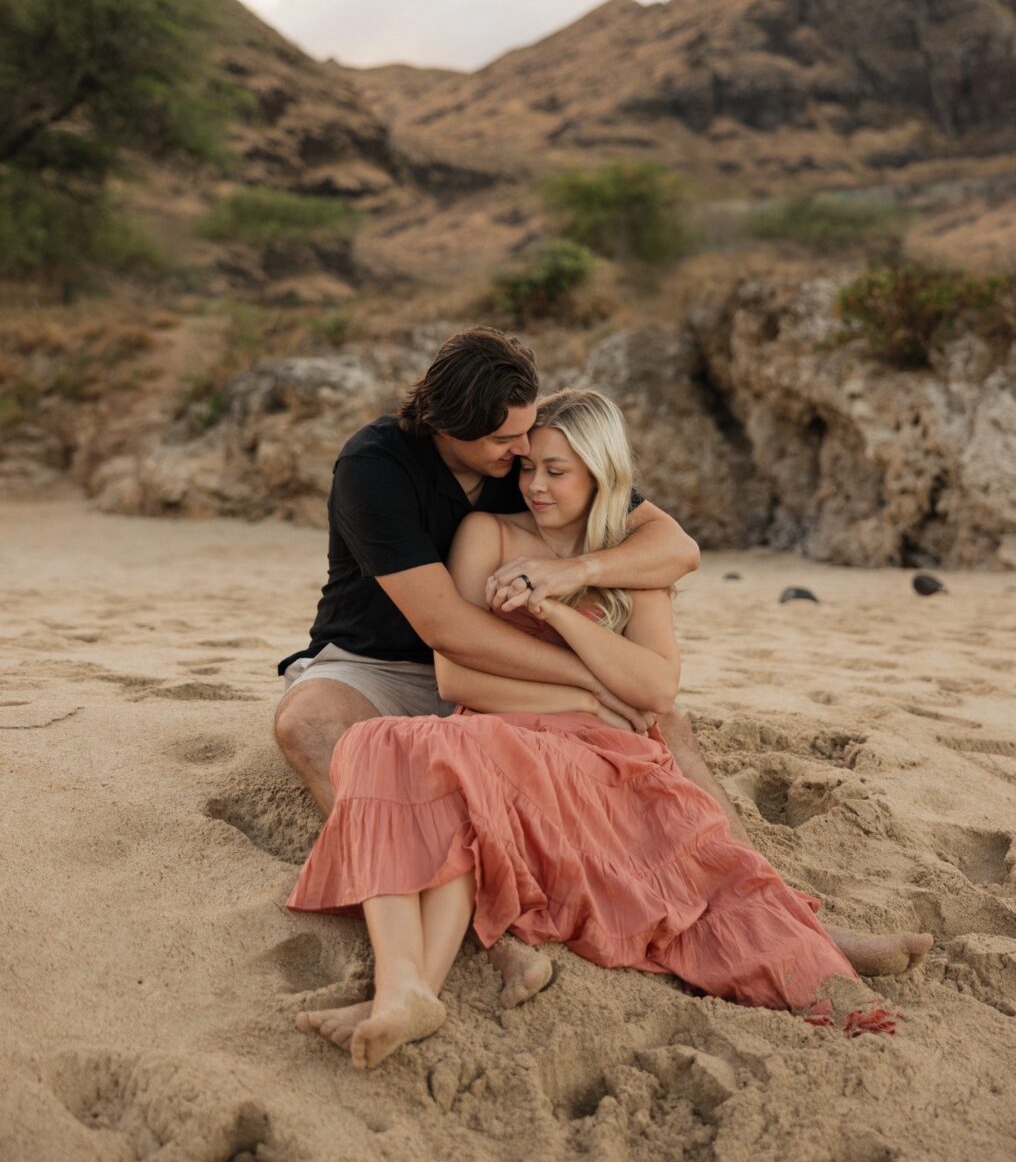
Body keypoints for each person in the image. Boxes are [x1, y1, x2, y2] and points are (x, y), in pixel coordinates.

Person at [287, 389, 903, 1068]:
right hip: (498, 724)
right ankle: (409, 989)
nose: (532, 483)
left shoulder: (630, 565)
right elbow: (458, 679)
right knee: (383, 743)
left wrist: (557, 606)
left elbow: (653, 688)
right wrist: (586, 683)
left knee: (419, 755)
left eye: (557, 470)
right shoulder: (484, 531)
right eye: (527, 467)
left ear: (601, 474)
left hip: (584, 747)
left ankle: (790, 912)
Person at [274, 327, 703, 1002]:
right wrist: (589, 683)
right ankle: (480, 941)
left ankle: (753, 892)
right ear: (447, 426)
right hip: (381, 661)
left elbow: (675, 546)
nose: (524, 453)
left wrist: (575, 571)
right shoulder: (375, 466)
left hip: (507, 665)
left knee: (663, 715)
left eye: (527, 434)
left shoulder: (524, 462)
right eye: (506, 442)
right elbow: (445, 630)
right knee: (306, 725)